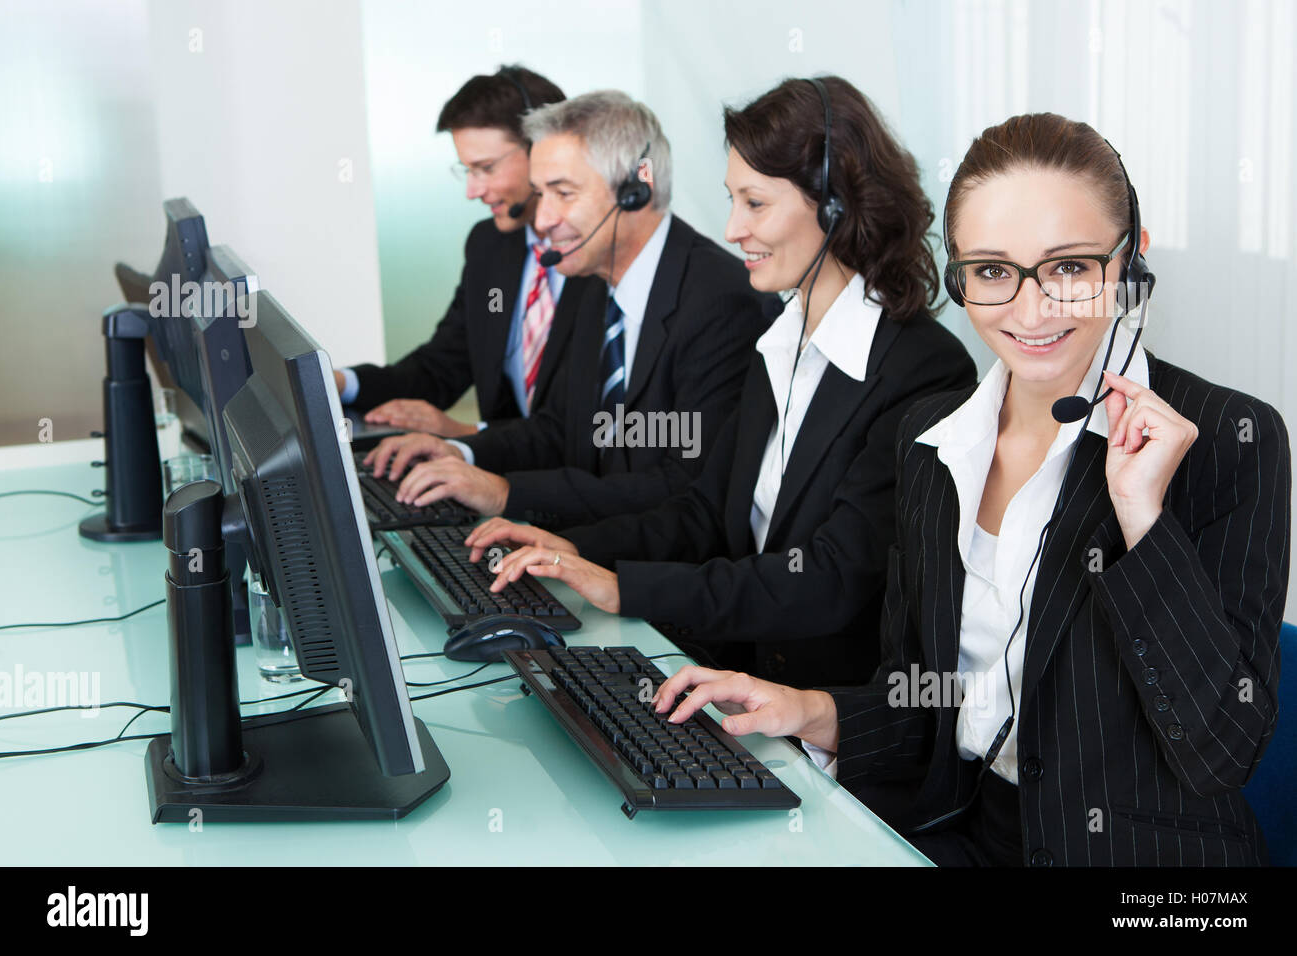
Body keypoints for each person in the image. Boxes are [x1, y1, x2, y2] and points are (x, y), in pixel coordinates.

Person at [650, 112, 1290, 866]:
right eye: (990, 271)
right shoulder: (934, 437)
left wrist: (1142, 518)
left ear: (1130, 265)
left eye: (1069, 267)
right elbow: (922, 701)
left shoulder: (1225, 438)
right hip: (963, 834)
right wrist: (808, 710)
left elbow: (1221, 750)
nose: (1029, 310)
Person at [464, 77, 975, 687]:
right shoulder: (782, 338)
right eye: (733, 201)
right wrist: (572, 548)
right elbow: (704, 511)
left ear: (836, 205)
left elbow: (829, 579)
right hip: (735, 674)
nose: (733, 229)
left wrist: (626, 587)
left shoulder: (921, 369)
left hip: (823, 713)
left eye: (755, 204)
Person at [366, 91, 770, 528]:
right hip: (593, 547)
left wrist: (506, 495)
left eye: (564, 193)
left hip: (657, 577)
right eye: (542, 194)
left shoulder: (723, 303)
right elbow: (561, 428)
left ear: (635, 191)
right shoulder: (594, 281)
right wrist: (461, 452)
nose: (542, 220)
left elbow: (682, 488)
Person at [333, 65, 597, 436]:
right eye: (468, 170)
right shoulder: (491, 246)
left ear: (544, 151)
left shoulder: (602, 255)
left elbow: (589, 426)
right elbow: (440, 368)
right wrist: (340, 384)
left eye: (486, 168)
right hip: (504, 471)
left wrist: (466, 435)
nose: (472, 191)